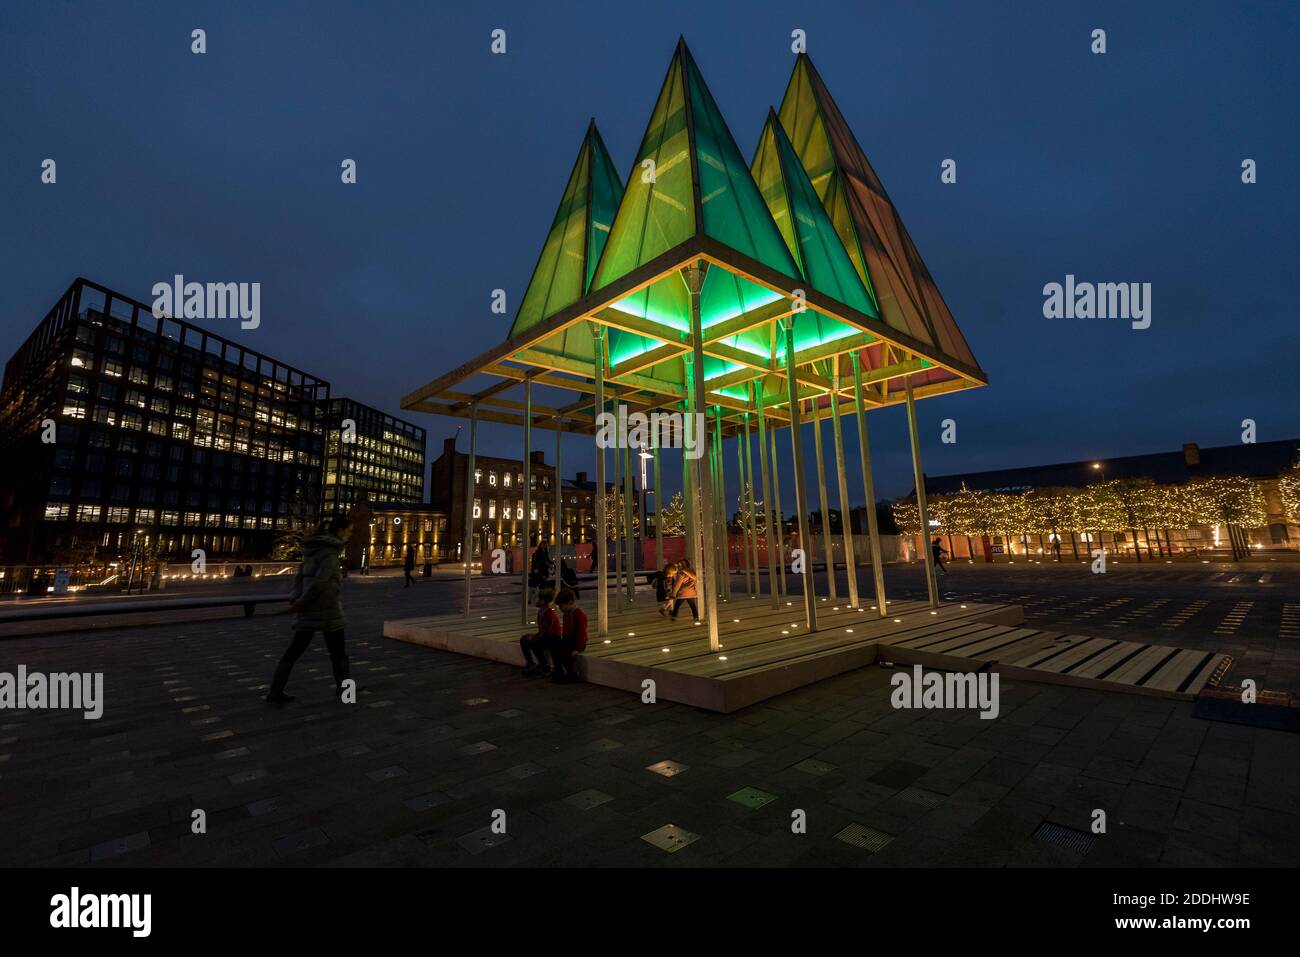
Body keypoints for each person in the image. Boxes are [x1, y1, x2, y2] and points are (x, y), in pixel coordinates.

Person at [267, 516, 352, 704]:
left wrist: (297, 599)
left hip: (308, 610)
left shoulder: (312, 551)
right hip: (327, 609)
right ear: (339, 531)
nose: (349, 534)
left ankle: (275, 691)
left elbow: (300, 578)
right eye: (348, 530)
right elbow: (320, 584)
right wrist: (302, 601)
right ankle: (347, 692)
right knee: (339, 652)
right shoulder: (330, 554)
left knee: (294, 650)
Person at [519, 586, 560, 677]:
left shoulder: (549, 614)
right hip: (545, 636)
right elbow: (542, 630)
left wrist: (534, 637)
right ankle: (530, 663)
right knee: (524, 639)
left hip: (552, 638)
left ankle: (544, 666)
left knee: (534, 643)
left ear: (543, 601)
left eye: (538, 599)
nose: (536, 600)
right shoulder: (541, 612)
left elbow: (547, 633)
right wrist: (534, 636)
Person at [550, 588, 588, 683]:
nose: (561, 609)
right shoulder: (566, 614)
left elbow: (582, 633)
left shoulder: (578, 614)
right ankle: (559, 671)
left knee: (563, 650)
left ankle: (571, 673)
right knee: (554, 643)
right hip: (568, 640)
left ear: (570, 602)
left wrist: (578, 649)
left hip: (575, 642)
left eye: (562, 606)